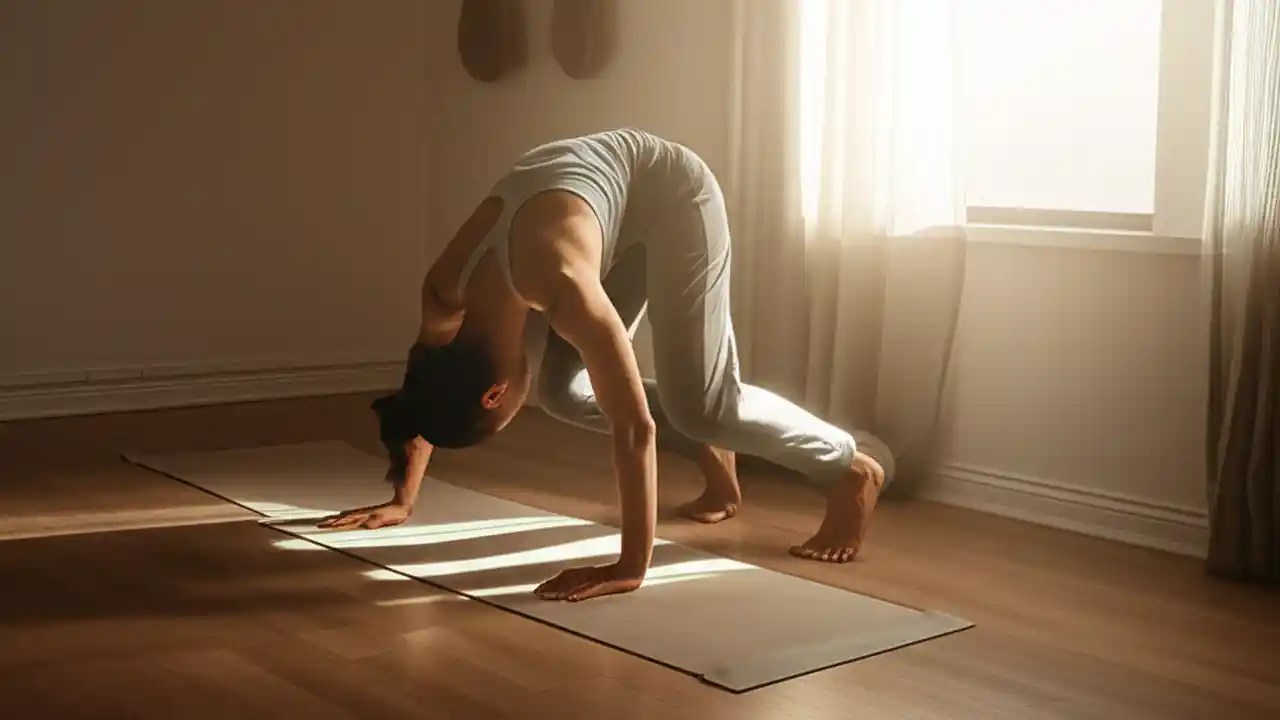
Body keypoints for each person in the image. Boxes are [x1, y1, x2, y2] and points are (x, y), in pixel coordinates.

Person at [319, 128, 895, 602]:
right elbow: (420, 386)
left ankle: (851, 469)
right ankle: (709, 446)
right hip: (597, 212)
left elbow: (635, 428)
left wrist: (629, 566)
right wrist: (403, 497)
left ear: (495, 393)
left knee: (705, 404)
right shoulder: (444, 294)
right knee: (567, 393)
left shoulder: (564, 285)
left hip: (674, 194)